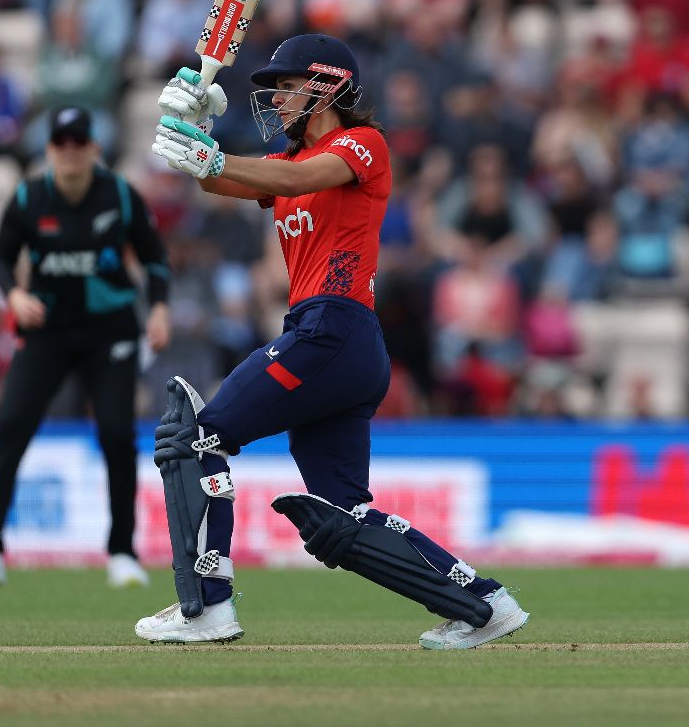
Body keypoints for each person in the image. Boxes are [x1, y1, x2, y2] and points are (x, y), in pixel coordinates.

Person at [137, 34, 529, 648]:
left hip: (332, 331)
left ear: (326, 87)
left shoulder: (361, 145)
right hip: (335, 344)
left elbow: (292, 181)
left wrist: (211, 157)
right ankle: (484, 604)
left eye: (287, 87)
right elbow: (225, 183)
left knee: (196, 438)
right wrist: (191, 127)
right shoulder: (287, 164)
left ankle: (207, 607)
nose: (276, 100)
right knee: (342, 516)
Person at [0, 107, 171, 589]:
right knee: (10, 425)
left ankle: (122, 551)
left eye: (78, 142)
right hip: (47, 330)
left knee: (115, 432)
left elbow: (154, 259)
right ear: (49, 150)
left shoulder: (120, 195)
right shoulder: (30, 197)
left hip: (110, 332)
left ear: (93, 148)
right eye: (61, 142)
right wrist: (14, 295)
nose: (70, 151)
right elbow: (1, 257)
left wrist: (158, 309)